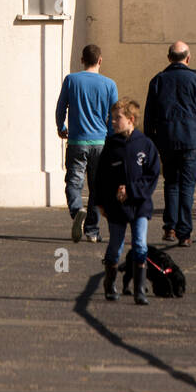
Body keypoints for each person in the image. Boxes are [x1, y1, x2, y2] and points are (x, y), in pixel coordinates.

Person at [143, 41, 196, 248]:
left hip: (166, 140)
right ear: (188, 58)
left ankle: (169, 227)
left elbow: (149, 115)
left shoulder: (158, 81)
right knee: (187, 186)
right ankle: (184, 233)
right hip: (191, 140)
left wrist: (151, 140)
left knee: (171, 183)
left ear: (169, 58)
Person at [95, 100, 160, 306]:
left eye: (117, 118)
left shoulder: (146, 145)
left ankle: (139, 289)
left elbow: (152, 175)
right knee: (116, 246)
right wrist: (100, 202)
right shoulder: (111, 146)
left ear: (131, 120)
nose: (112, 122)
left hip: (139, 204)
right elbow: (101, 178)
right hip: (116, 207)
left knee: (140, 244)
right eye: (112, 118)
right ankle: (110, 282)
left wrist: (131, 190)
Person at [55, 44, 117, 243]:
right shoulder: (109, 84)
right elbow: (114, 115)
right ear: (100, 60)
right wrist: (113, 137)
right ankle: (92, 231)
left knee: (73, 182)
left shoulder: (71, 80)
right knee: (97, 188)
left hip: (77, 141)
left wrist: (61, 126)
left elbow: (61, 107)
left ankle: (76, 211)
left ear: (82, 60)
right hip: (100, 142)